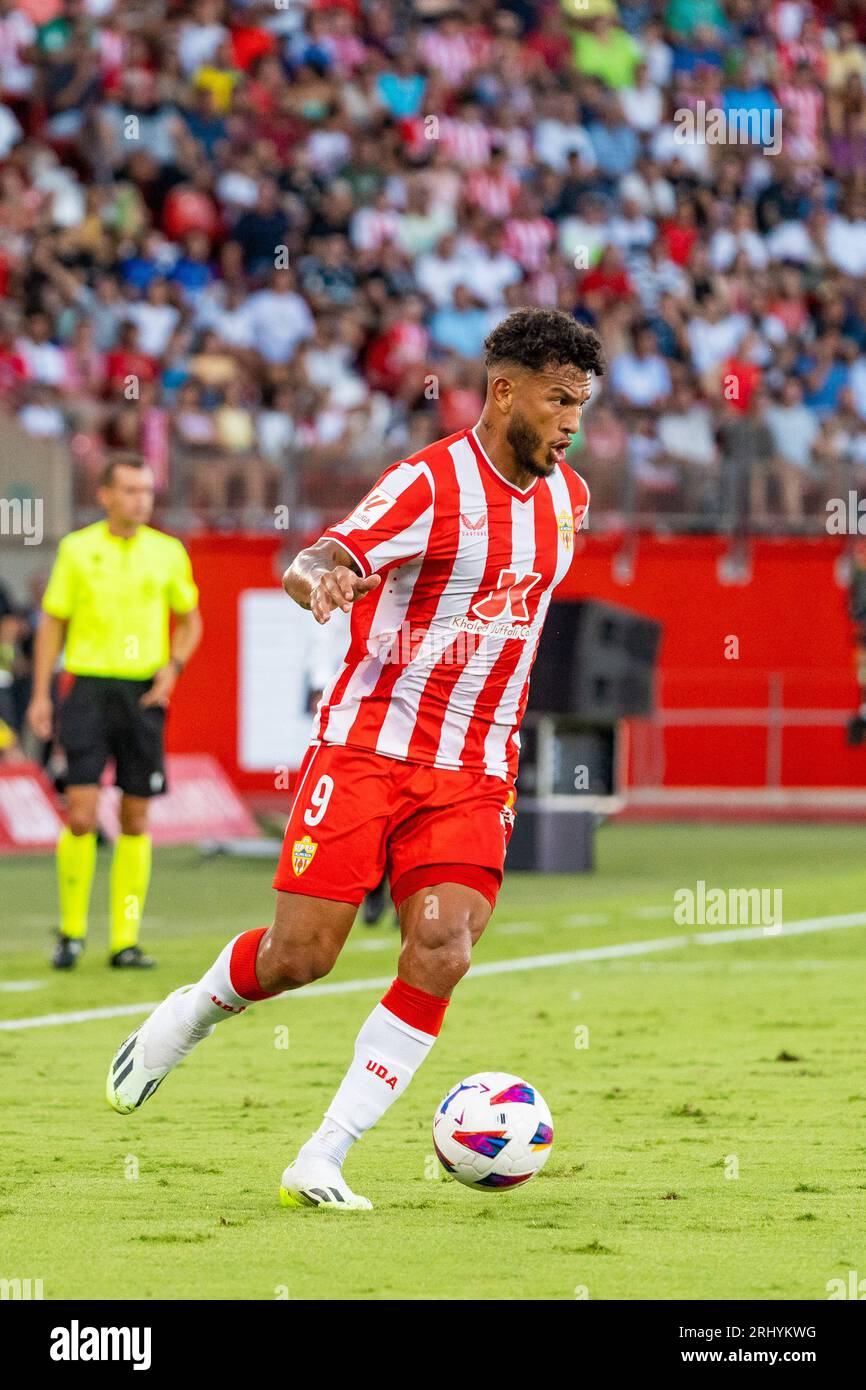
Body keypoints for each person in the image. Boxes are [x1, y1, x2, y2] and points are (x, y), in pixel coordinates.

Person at [105, 306, 603, 1211]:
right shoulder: (425, 485)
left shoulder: (569, 504)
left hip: (476, 767)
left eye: (583, 404)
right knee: (302, 957)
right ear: (504, 391)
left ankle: (323, 1155)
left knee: (443, 947)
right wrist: (321, 581)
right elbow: (321, 555)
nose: (573, 422)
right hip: (368, 747)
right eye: (559, 400)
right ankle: (190, 1011)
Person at [27, 453, 202, 970]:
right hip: (87, 689)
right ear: (104, 495)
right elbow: (53, 624)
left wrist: (173, 668)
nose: (140, 499)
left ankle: (124, 941)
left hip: (143, 693)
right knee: (81, 814)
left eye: (146, 491)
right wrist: (41, 693)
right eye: (129, 490)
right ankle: (72, 933)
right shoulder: (77, 551)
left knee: (136, 815)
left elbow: (191, 621)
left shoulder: (168, 553)